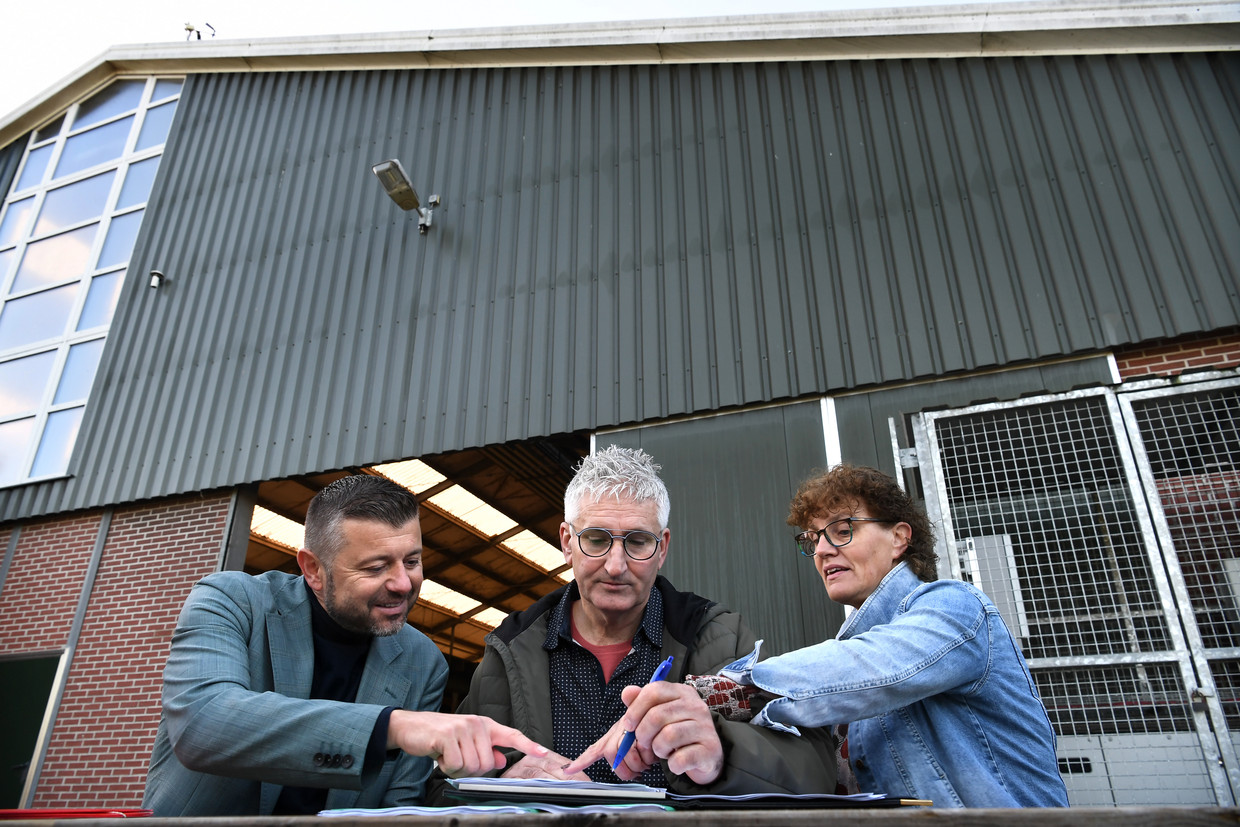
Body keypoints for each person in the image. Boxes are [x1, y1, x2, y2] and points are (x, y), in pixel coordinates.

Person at [429, 445, 835, 801]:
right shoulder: (509, 651)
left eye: (638, 541)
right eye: (596, 539)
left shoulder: (720, 639)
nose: (616, 565)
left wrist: (724, 752)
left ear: (663, 548)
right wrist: (499, 779)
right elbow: (438, 785)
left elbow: (817, 769)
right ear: (567, 542)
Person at [143, 474, 547, 816]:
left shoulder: (423, 661)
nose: (403, 584)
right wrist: (394, 726)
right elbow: (204, 724)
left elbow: (399, 806)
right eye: (376, 567)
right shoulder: (230, 601)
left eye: (412, 561)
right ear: (313, 569)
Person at [719, 464, 1069, 808]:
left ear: (899, 538)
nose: (822, 550)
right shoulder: (846, 659)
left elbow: (869, 666)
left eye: (842, 530)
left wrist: (725, 689)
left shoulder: (957, 607)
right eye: (813, 539)